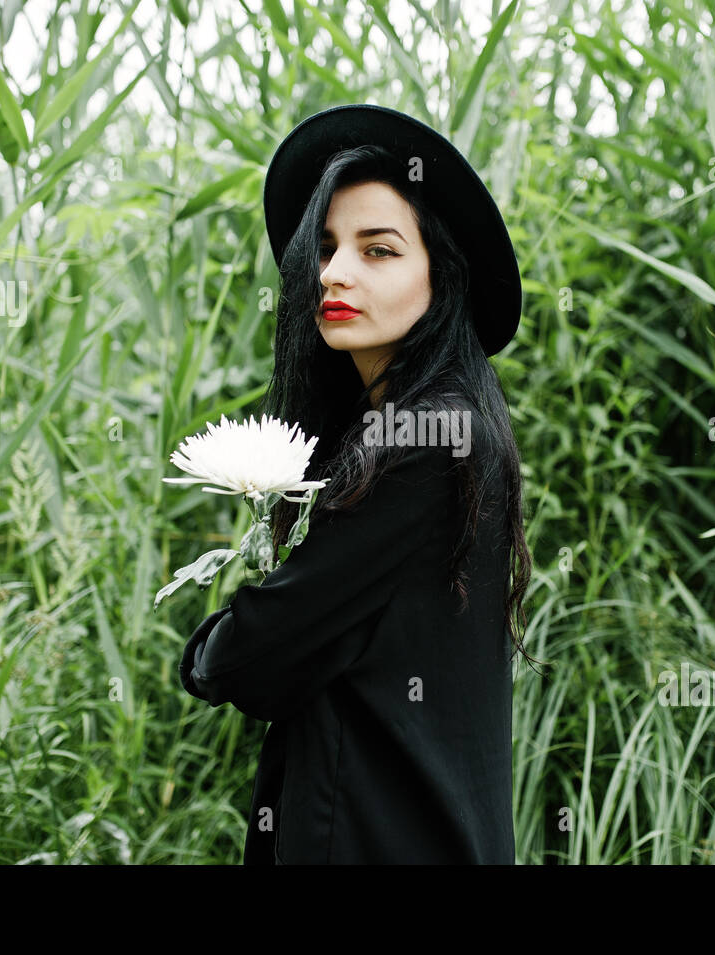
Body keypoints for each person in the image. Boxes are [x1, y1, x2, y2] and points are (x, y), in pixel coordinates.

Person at [178, 104, 539, 864]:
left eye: (379, 250)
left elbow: (257, 657)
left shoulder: (427, 442)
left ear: (441, 275)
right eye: (329, 247)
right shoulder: (423, 431)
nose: (334, 273)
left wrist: (207, 647)